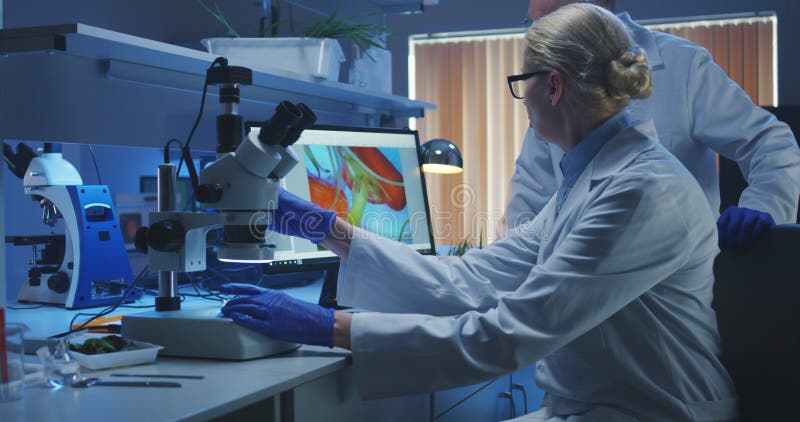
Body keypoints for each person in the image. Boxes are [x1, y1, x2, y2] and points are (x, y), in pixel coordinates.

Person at [220, 4, 737, 420]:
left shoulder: (642, 192)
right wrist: (322, 226)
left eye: (523, 81)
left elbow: (507, 334)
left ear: (553, 87)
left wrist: (330, 326)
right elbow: (471, 278)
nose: (522, 98)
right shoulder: (588, 181)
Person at [507, 0, 800, 252]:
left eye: (549, 23)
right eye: (531, 25)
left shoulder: (681, 65)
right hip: (585, 280)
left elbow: (769, 143)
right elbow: (528, 203)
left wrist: (764, 207)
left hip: (676, 274)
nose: (537, 40)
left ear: (596, 9)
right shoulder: (552, 91)